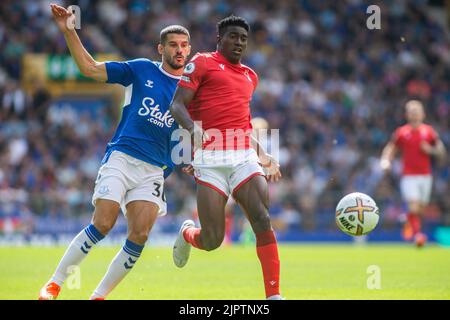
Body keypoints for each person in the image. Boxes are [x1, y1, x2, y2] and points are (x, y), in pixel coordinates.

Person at [39, 4, 191, 300]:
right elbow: (89, 68)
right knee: (103, 223)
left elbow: (190, 132)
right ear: (161, 48)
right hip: (122, 157)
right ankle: (55, 284)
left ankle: (98, 296)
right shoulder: (141, 69)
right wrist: (69, 31)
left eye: (185, 45)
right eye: (173, 44)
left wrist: (188, 158)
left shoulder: (192, 89)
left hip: (154, 170)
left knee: (140, 235)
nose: (179, 50)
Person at [169, 15, 283, 300]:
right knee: (212, 241)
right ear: (220, 38)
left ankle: (274, 295)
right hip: (209, 159)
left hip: (243, 155)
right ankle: (186, 234)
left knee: (261, 216)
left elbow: (243, 124)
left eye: (243, 38)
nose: (239, 42)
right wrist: (192, 133)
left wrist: (264, 154)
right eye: (233, 36)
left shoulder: (250, 76)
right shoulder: (202, 62)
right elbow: (177, 106)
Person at [380, 100, 446, 247]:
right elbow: (391, 148)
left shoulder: (429, 131)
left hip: (425, 175)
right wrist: (385, 160)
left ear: (423, 114)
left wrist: (431, 150)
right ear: (407, 115)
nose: (415, 115)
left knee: (420, 209)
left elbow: (441, 151)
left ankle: (409, 223)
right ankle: (418, 236)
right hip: (408, 176)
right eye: (412, 112)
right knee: (414, 206)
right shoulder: (402, 132)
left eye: (417, 112)